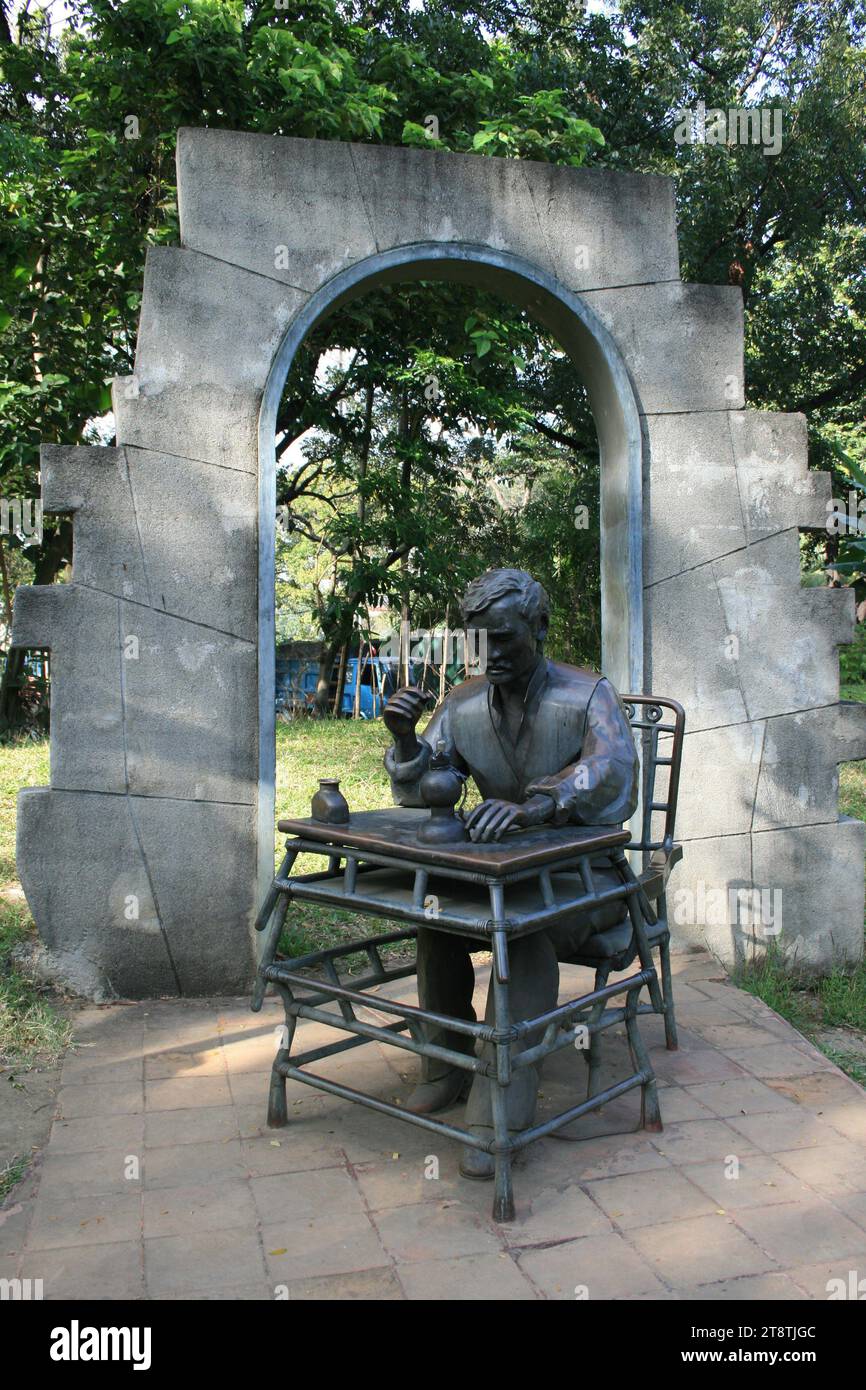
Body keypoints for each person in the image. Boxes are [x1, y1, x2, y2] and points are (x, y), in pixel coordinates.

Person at [383, 567, 639, 1178]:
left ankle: (500, 1099)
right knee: (436, 920)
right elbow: (428, 792)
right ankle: (444, 1063)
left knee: (521, 931)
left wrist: (539, 803)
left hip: (586, 879)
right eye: (479, 642)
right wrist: (406, 743)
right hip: (500, 877)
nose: (490, 655)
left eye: (503, 639)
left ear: (539, 627)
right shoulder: (464, 703)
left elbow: (615, 774)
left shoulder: (588, 695)